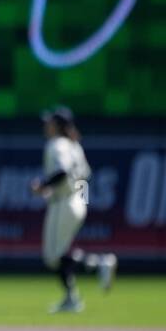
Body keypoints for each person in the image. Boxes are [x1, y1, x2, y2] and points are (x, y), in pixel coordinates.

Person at [30, 106, 117, 313]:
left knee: (53, 257)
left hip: (64, 203)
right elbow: (84, 177)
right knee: (58, 255)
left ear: (57, 125)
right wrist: (80, 202)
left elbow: (61, 172)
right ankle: (71, 297)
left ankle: (99, 264)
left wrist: (43, 187)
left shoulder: (57, 144)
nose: (46, 124)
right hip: (74, 201)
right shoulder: (74, 145)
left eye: (50, 121)